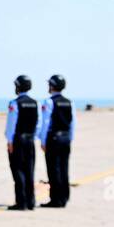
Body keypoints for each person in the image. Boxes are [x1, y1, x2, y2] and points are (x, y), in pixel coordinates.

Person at [38, 74, 74, 209]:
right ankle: (64, 197)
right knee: (64, 169)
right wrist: (70, 138)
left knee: (53, 169)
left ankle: (55, 199)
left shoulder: (49, 102)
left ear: (52, 86)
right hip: (65, 138)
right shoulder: (69, 102)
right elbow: (72, 123)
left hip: (53, 139)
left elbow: (45, 123)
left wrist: (43, 141)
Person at [4, 74, 38, 211]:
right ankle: (31, 201)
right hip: (30, 139)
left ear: (18, 87)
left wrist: (10, 141)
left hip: (18, 140)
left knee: (18, 170)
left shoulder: (15, 103)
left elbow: (11, 124)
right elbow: (39, 123)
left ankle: (21, 202)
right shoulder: (36, 103)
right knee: (29, 170)